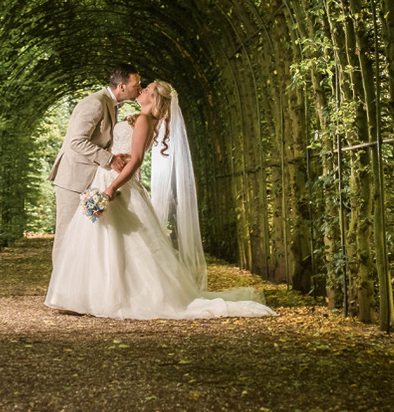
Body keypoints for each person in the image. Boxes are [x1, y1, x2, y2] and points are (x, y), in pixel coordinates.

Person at [44, 81, 274, 320]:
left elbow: (136, 161)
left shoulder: (144, 121)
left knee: (113, 242)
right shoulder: (142, 119)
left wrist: (112, 186)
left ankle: (102, 295)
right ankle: (92, 294)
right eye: (142, 86)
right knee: (106, 242)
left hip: (115, 181)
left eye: (148, 89)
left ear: (155, 99)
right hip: (109, 176)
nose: (142, 89)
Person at [48, 63, 141, 265]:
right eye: (137, 84)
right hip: (73, 178)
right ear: (122, 86)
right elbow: (76, 141)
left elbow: (98, 139)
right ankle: (59, 293)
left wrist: (114, 153)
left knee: (84, 237)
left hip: (91, 178)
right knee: (67, 235)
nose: (140, 89)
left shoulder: (111, 103)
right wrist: (109, 159)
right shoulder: (96, 102)